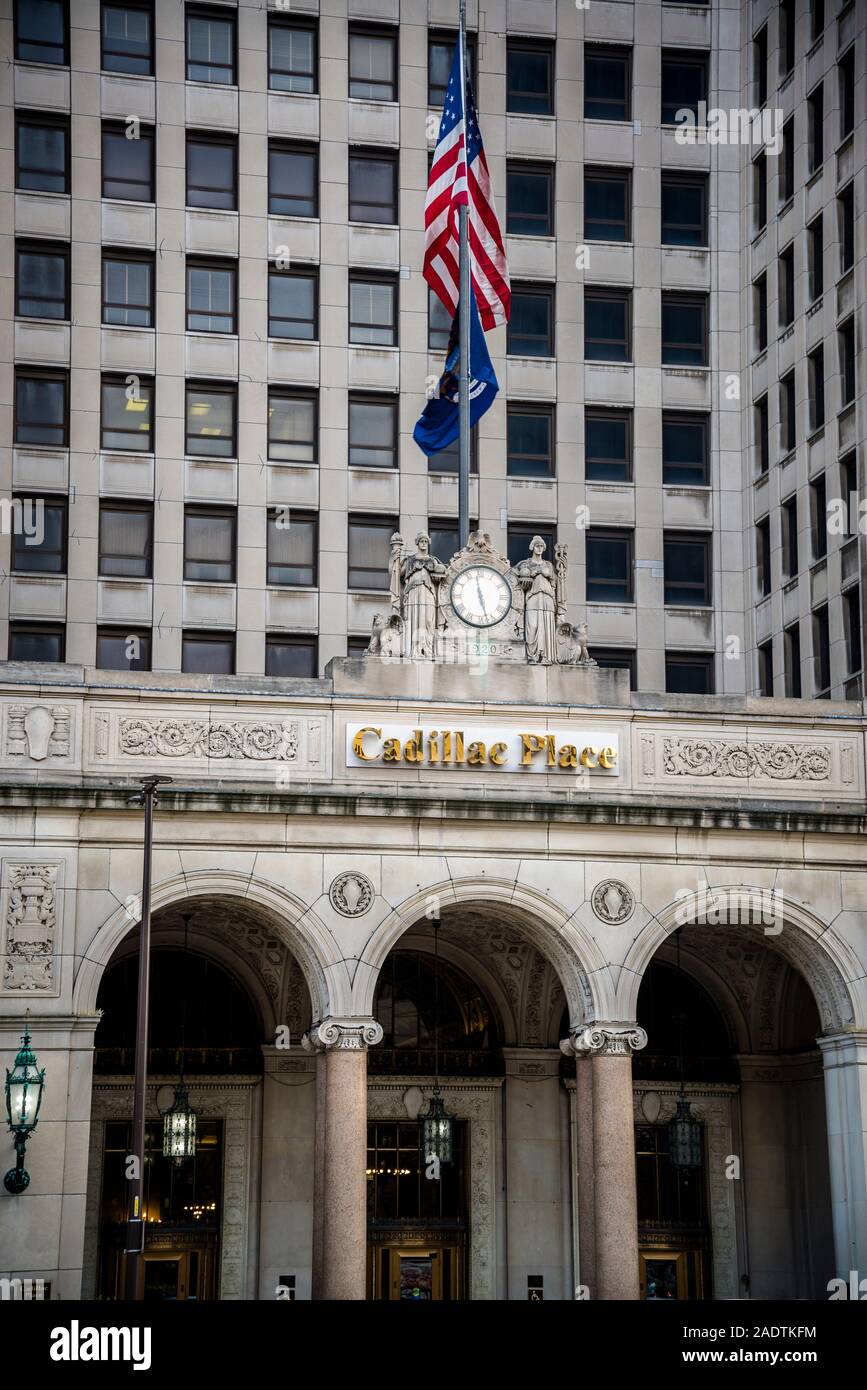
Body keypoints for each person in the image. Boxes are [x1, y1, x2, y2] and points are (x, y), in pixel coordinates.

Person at [401, 533, 446, 660]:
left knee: (428, 620)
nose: (424, 543)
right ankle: (414, 649)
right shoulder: (410, 560)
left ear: (429, 543)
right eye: (421, 541)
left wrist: (439, 569)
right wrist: (394, 558)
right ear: (417, 543)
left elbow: (442, 570)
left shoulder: (432, 560)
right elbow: (399, 572)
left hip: (428, 592)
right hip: (414, 592)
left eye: (426, 541)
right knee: (414, 618)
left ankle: (427, 649)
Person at [515, 536, 557, 664]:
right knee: (532, 626)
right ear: (532, 547)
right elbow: (513, 573)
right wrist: (529, 573)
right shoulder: (525, 563)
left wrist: (548, 574)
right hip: (532, 597)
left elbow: (554, 581)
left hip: (547, 598)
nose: (539, 548)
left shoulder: (548, 565)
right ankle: (532, 655)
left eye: (541, 546)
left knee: (546, 627)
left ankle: (545, 656)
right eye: (537, 545)